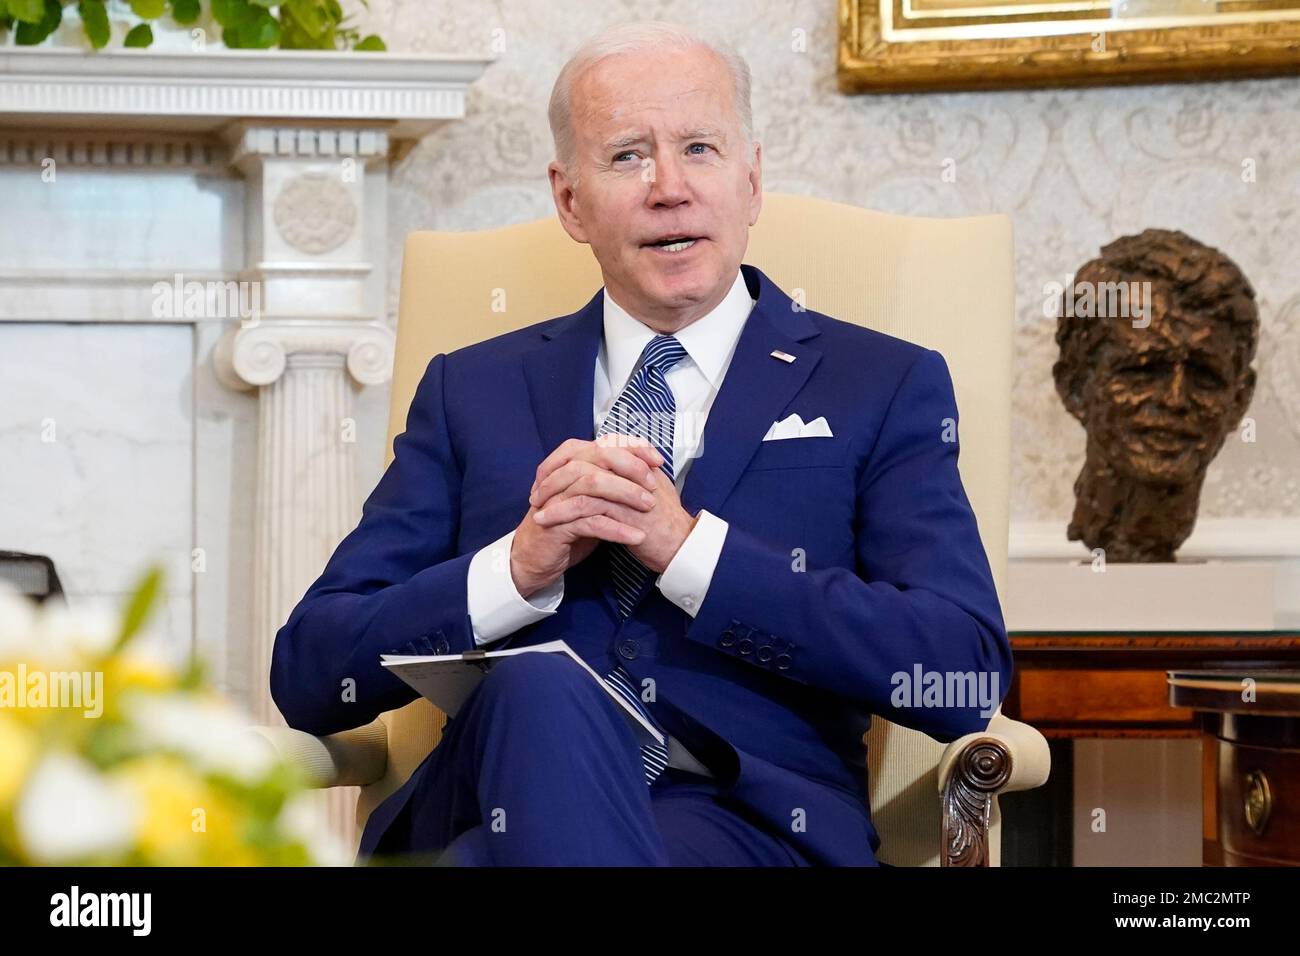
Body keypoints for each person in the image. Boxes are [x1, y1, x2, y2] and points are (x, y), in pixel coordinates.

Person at [270, 19, 1012, 867]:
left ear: (752, 180)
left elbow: (962, 672)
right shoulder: (472, 389)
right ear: (569, 199)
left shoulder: (879, 382)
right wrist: (513, 571)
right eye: (626, 155)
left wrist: (691, 552)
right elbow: (309, 672)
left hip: (748, 825)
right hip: (494, 797)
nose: (669, 187)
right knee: (537, 685)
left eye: (699, 148)